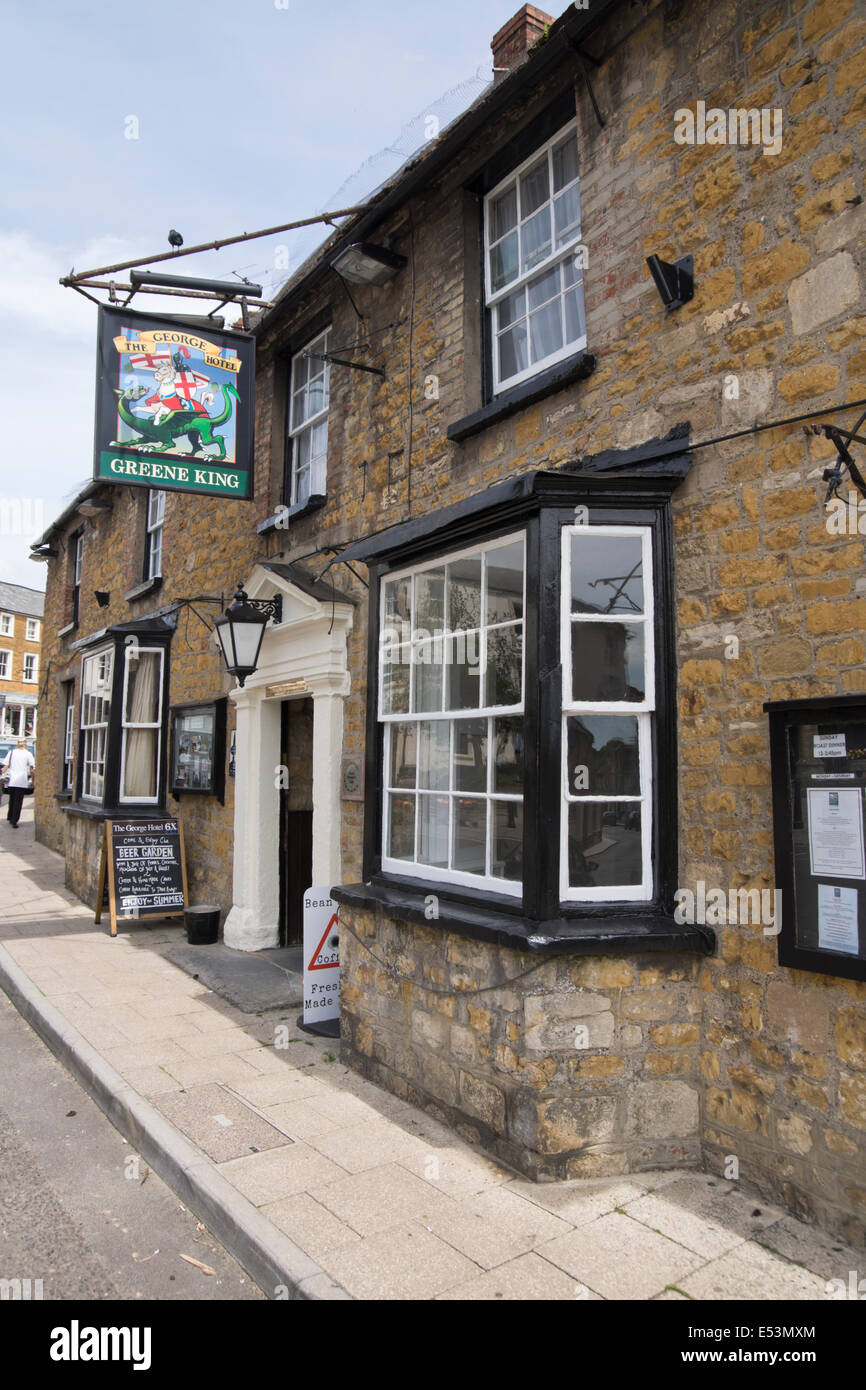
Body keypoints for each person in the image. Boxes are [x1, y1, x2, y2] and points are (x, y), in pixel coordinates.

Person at [2, 739, 35, 828]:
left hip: (12, 781)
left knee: (12, 800)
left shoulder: (12, 752)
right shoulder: (28, 754)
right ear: (25, 744)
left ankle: (10, 817)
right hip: (21, 781)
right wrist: (33, 781)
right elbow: (32, 769)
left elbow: (5, 766)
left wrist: (1, 774)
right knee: (18, 801)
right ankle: (14, 821)